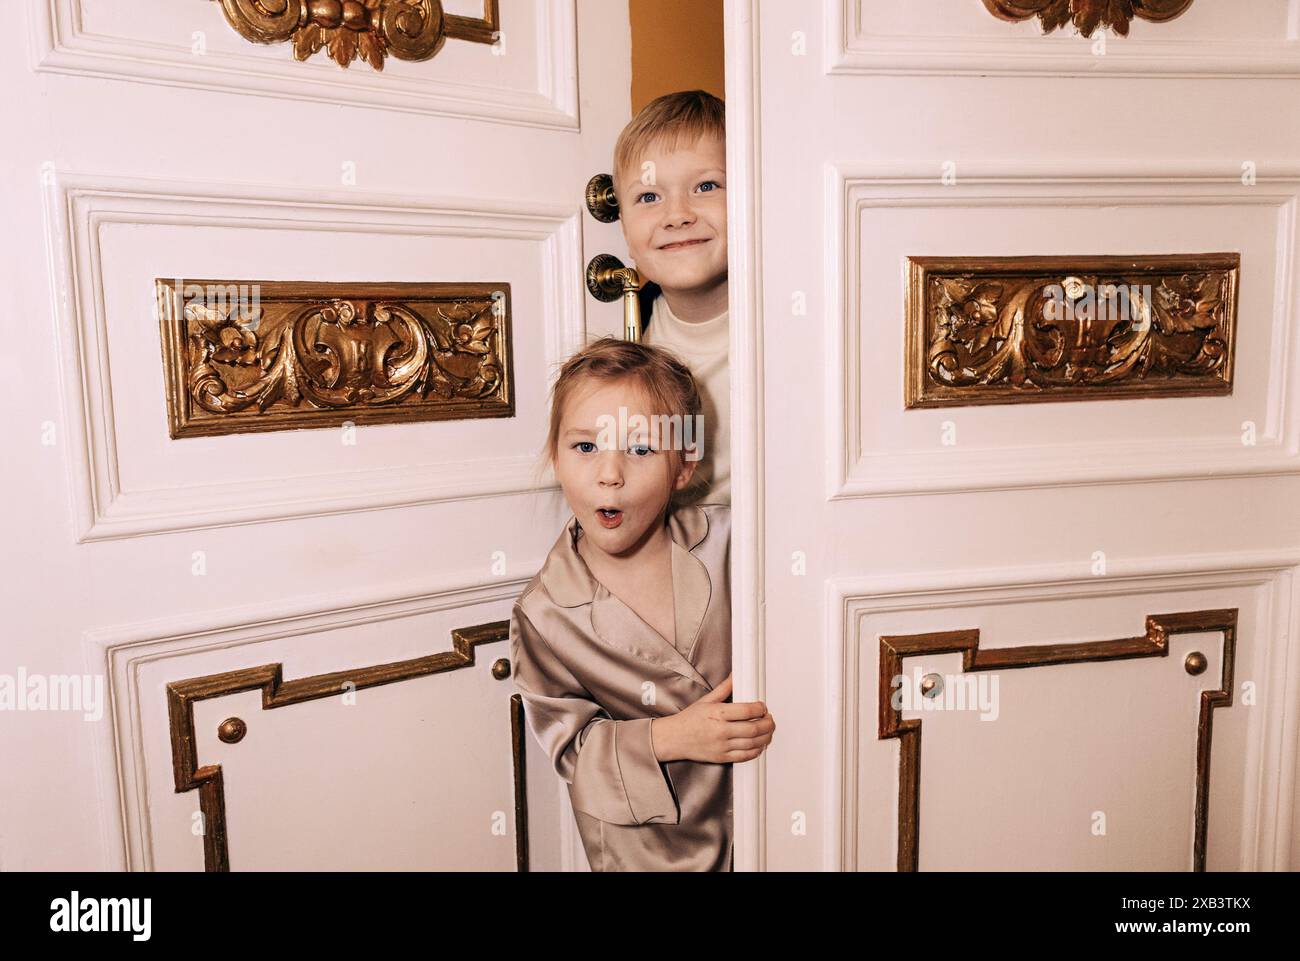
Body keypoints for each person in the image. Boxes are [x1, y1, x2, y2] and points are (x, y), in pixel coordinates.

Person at [510, 338, 775, 871]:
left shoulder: (734, 543)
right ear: (555, 458)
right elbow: (572, 751)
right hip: (648, 852)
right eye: (585, 448)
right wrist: (669, 737)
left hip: (764, 818)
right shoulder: (543, 614)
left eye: (640, 448)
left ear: (682, 467)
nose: (609, 474)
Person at [614, 89, 730, 506]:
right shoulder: (627, 331)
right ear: (625, 230)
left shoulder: (788, 317)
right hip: (666, 540)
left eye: (706, 186)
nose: (678, 215)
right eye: (649, 196)